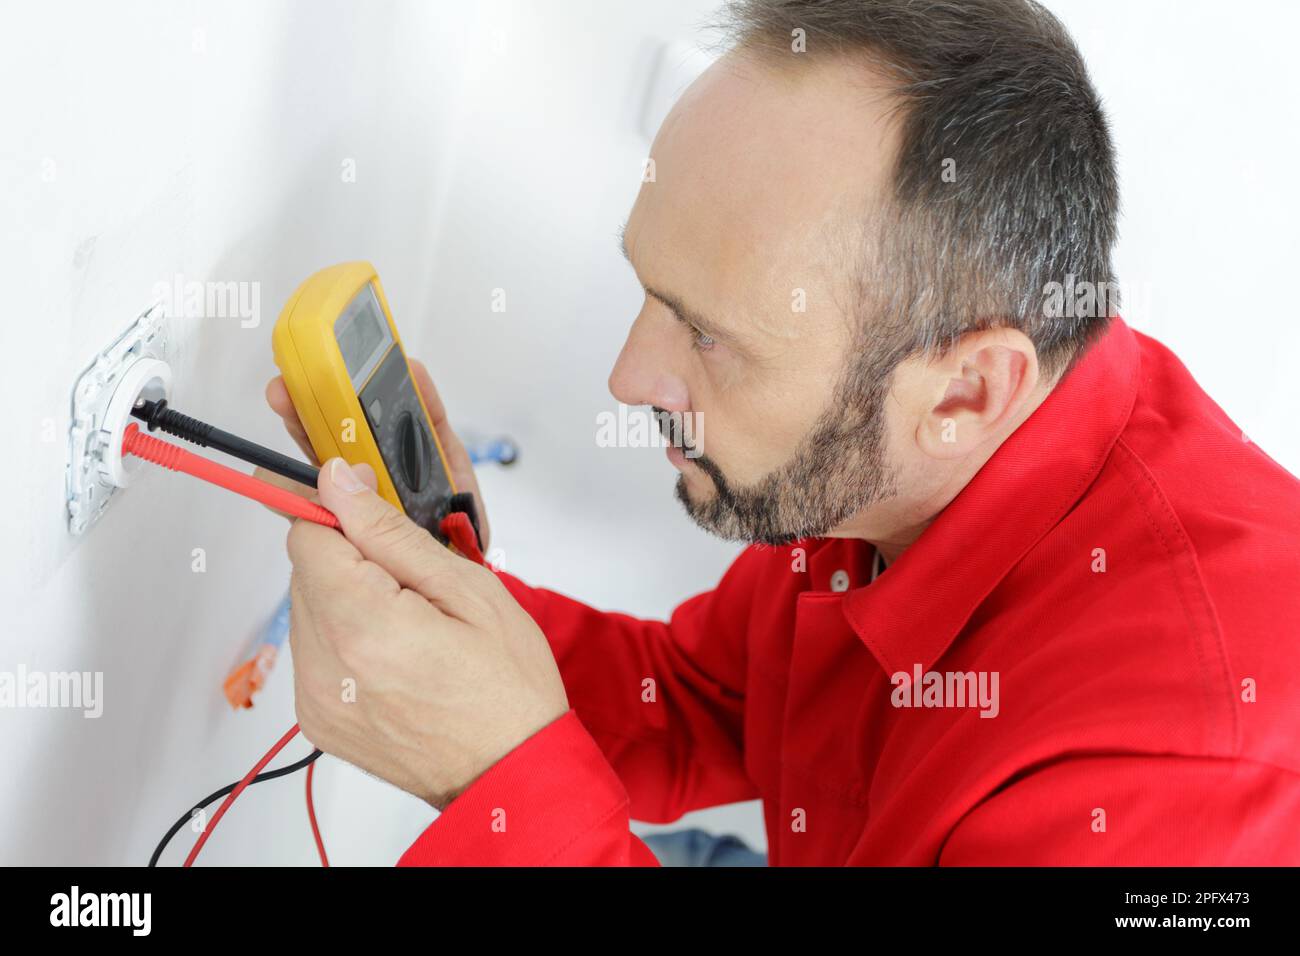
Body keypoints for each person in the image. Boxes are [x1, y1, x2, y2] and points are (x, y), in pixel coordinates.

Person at [263, 0, 1300, 865]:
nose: (629, 378)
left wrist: (498, 781)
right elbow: (695, 700)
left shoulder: (1175, 784)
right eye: (652, 292)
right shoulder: (895, 460)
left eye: (710, 337)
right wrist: (450, 594)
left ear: (966, 392)